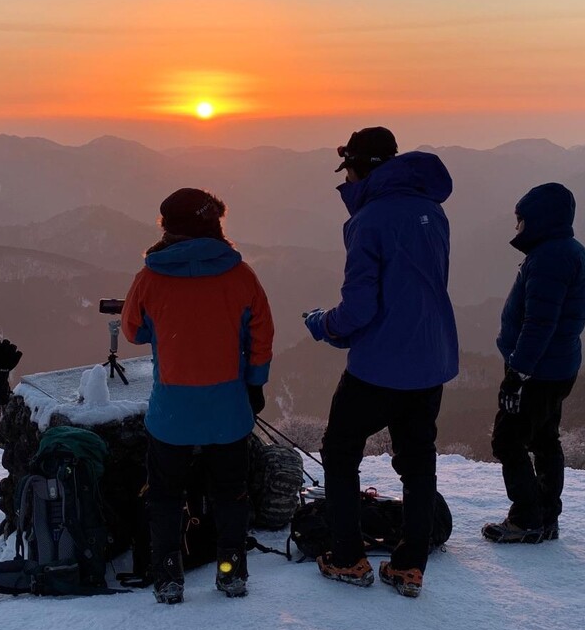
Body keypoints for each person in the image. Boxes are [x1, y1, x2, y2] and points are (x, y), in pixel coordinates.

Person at [304, 127, 459, 598]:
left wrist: (321, 324)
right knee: (417, 459)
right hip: (430, 359)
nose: (345, 178)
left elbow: (360, 309)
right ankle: (409, 565)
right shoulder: (433, 212)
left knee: (340, 450)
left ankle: (348, 557)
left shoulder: (368, 221)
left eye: (347, 169)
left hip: (380, 365)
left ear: (360, 168)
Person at [121, 189, 274, 604]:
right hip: (228, 406)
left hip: (172, 410)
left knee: (166, 494)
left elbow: (133, 331)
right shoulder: (241, 276)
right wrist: (255, 383)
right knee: (230, 491)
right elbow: (262, 334)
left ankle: (168, 574)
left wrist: (167, 331)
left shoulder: (149, 278)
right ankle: (230, 570)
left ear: (167, 227)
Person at [483, 183, 585, 544]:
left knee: (507, 440)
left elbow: (539, 324)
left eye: (521, 221)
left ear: (540, 220)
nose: (517, 229)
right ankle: (547, 515)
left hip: (537, 370)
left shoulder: (549, 259)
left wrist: (517, 372)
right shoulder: (571, 252)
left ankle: (527, 517)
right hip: (559, 366)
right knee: (545, 438)